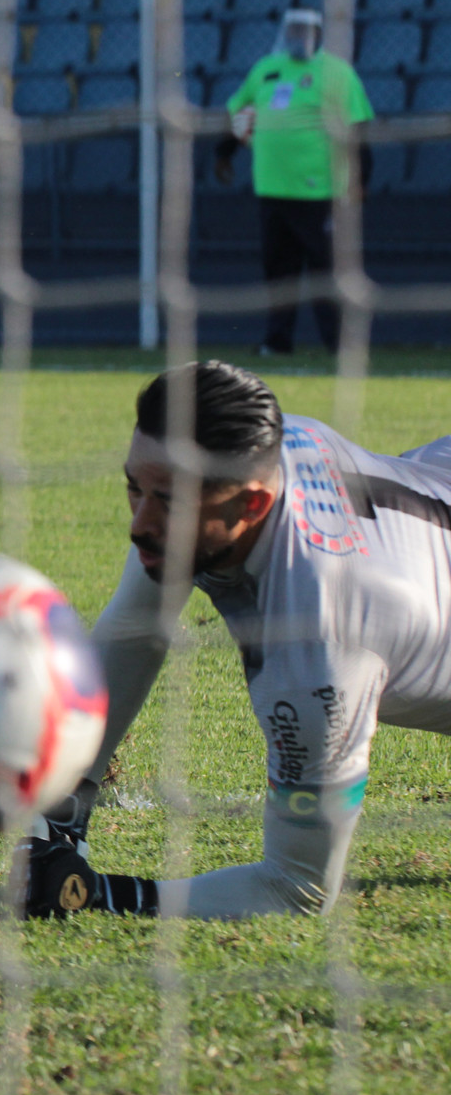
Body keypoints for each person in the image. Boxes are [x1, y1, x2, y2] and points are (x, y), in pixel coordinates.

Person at [23, 360, 451, 918]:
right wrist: (64, 801)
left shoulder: (319, 651)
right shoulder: (249, 446)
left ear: (252, 505)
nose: (139, 523)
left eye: (170, 501)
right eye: (135, 488)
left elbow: (298, 889)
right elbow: (137, 625)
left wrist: (96, 897)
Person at [216, 8, 374, 357]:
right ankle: (277, 340)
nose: (299, 36)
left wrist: (361, 177)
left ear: (318, 33)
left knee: (327, 270)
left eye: (306, 30)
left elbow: (357, 128)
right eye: (294, 29)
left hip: (321, 192)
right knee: (278, 270)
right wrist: (224, 153)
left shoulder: (336, 73)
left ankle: (340, 343)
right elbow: (238, 115)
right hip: (273, 190)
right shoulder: (266, 69)